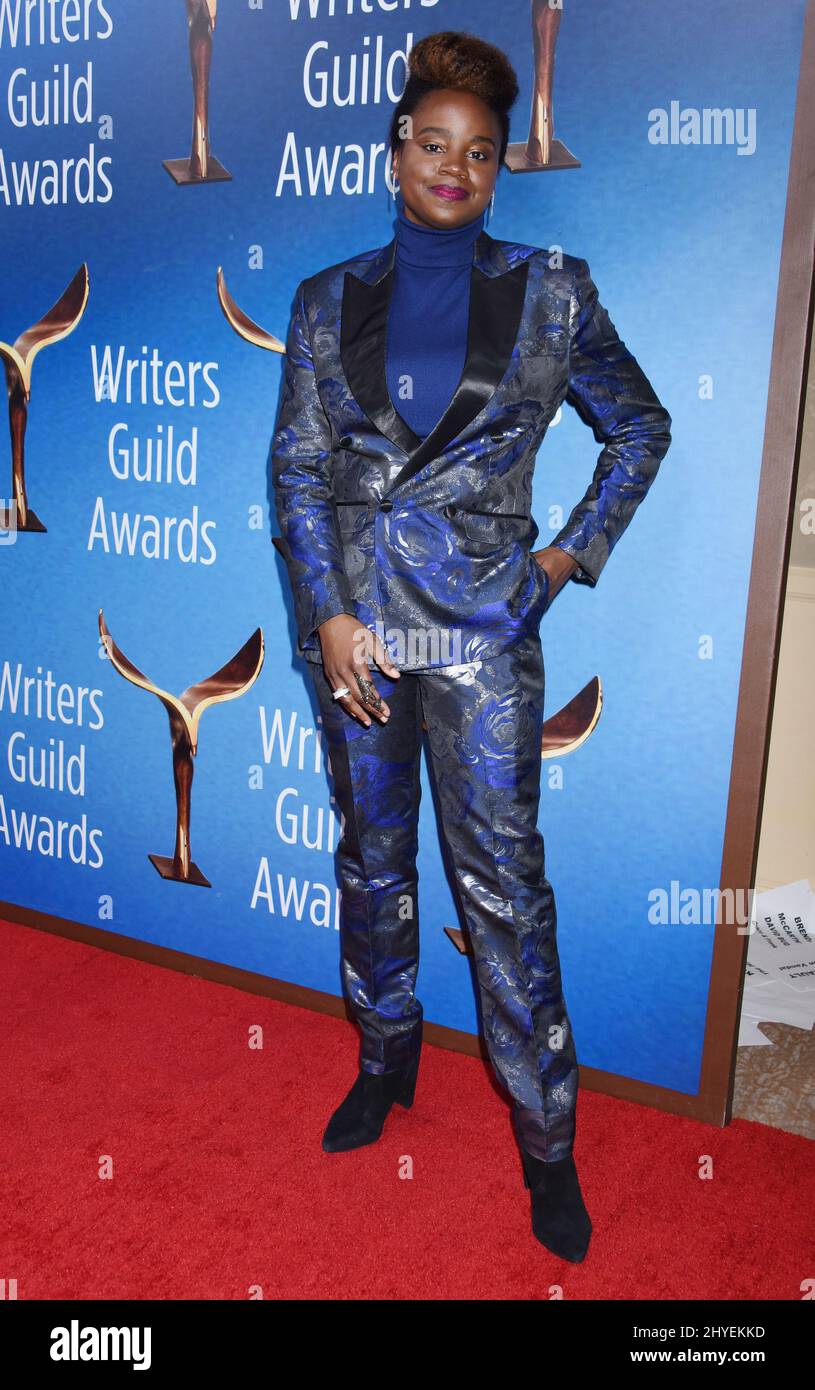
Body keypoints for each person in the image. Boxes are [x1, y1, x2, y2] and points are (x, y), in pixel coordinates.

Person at [271, 30, 671, 1263]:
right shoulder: (325, 298)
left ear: (499, 171)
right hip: (355, 646)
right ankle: (385, 1055)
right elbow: (295, 469)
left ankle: (544, 1141)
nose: (452, 166)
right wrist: (331, 613)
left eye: (478, 153)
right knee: (371, 862)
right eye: (431, 143)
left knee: (502, 889)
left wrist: (562, 559)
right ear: (395, 152)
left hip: (484, 641)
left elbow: (638, 428)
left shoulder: (551, 288)